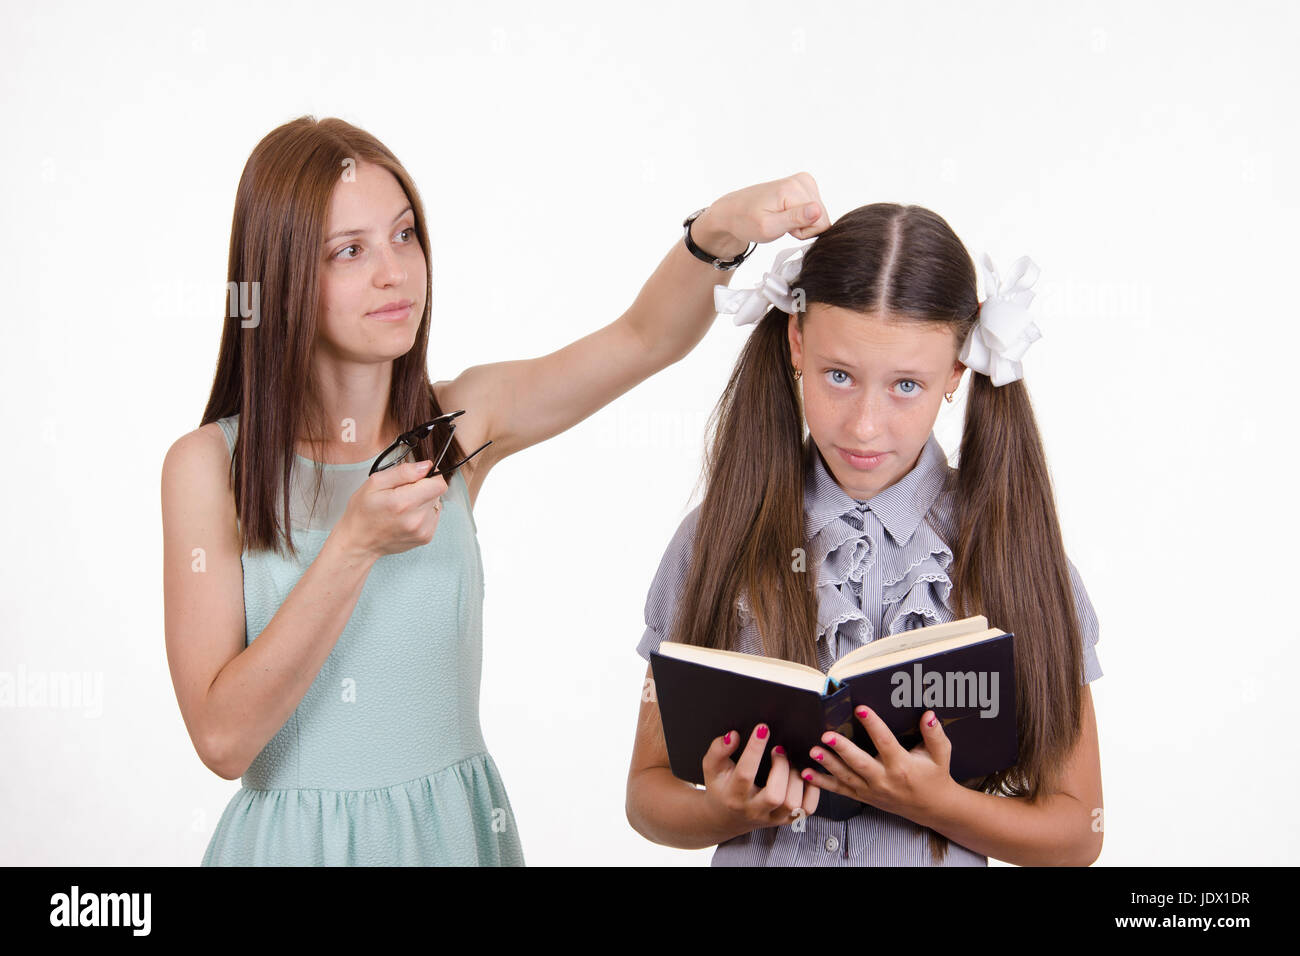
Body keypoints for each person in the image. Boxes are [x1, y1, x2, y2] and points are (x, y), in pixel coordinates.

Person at [160, 114, 830, 865]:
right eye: (349, 251)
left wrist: (718, 230)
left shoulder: (454, 429)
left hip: (452, 836)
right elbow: (222, 740)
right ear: (280, 278)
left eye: (404, 234)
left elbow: (642, 339)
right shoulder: (209, 466)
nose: (395, 272)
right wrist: (351, 549)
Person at [626, 203, 1104, 866]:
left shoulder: (1013, 551)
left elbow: (1078, 831)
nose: (864, 426)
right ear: (797, 343)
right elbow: (647, 795)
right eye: (839, 376)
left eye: (906, 384)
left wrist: (937, 804)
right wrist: (723, 805)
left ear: (957, 375)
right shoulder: (715, 537)